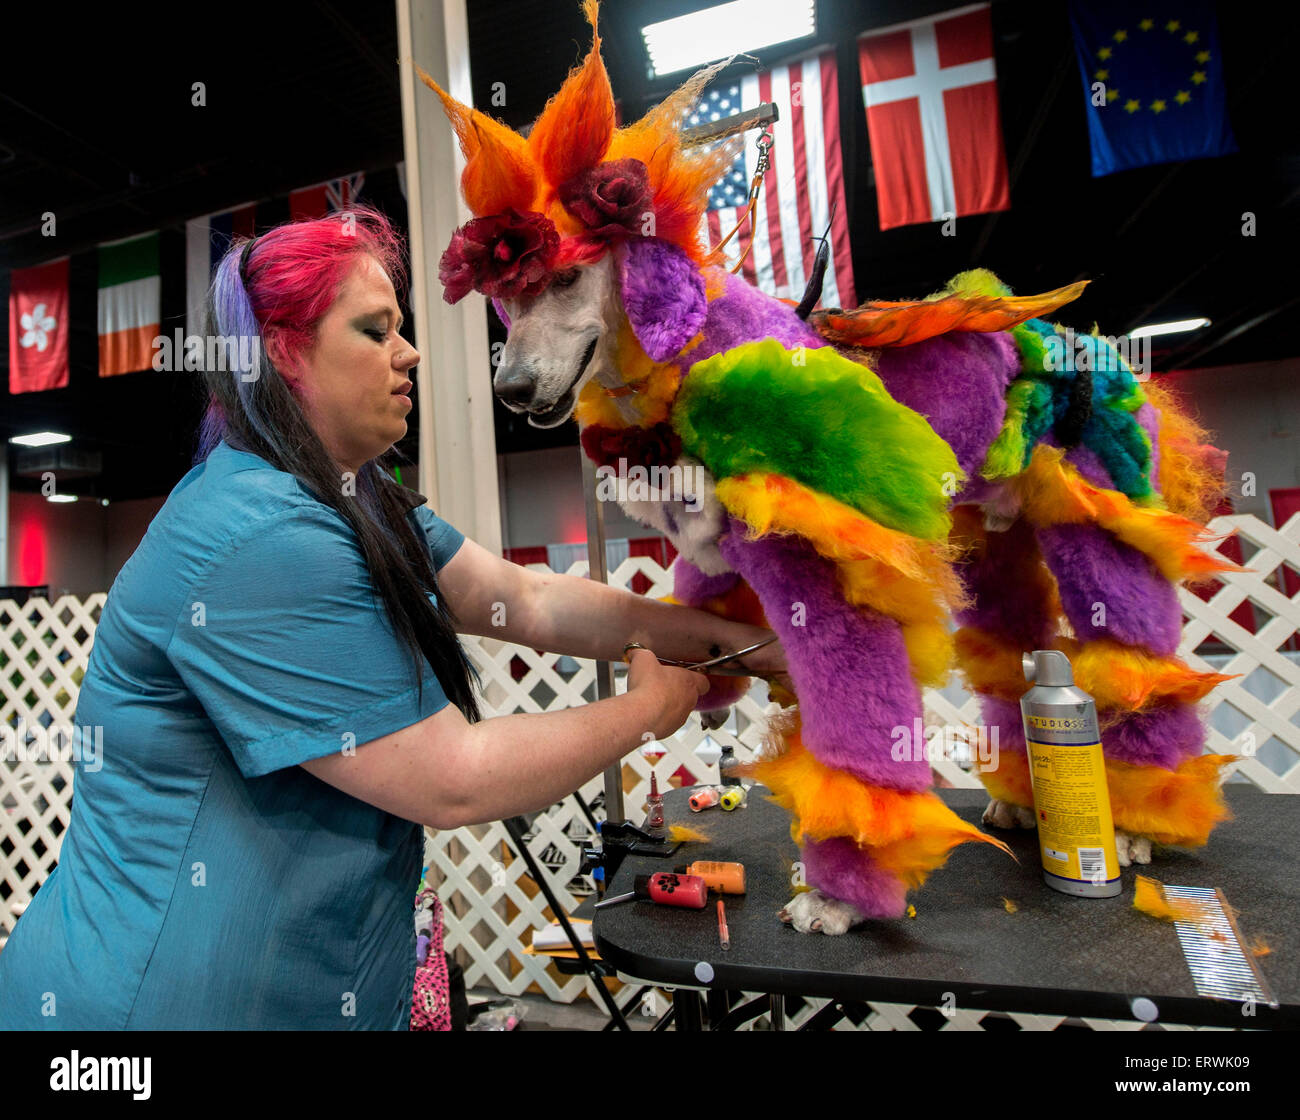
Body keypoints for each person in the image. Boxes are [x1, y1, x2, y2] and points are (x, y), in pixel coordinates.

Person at [0, 206, 786, 1030]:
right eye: (376, 331)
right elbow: (453, 776)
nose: (410, 353)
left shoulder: (355, 500)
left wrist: (748, 646)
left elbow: (530, 601)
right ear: (285, 351)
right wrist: (650, 708)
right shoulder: (259, 536)